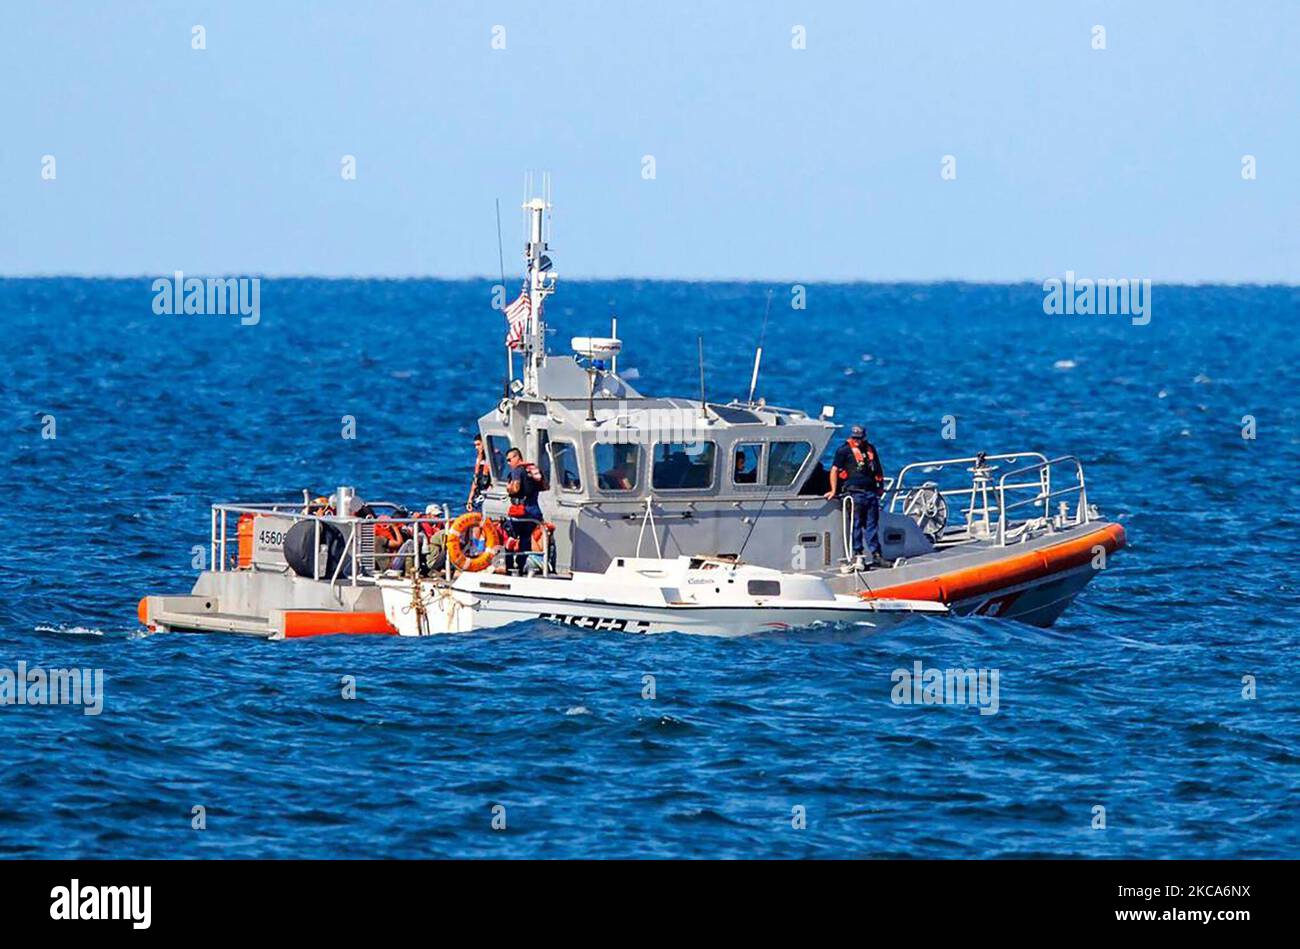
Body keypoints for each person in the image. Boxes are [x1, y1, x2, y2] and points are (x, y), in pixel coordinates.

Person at [825, 424, 886, 570]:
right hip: (854, 493)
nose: (857, 441)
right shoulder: (843, 451)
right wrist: (833, 490)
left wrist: (880, 487)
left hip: (870, 493)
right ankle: (857, 553)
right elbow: (834, 470)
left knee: (872, 525)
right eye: (855, 438)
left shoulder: (871, 449)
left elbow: (878, 469)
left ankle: (877, 554)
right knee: (856, 525)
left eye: (859, 438)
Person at [504, 446, 547, 575]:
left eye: (509, 459)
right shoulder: (532, 469)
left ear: (517, 457)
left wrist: (509, 489)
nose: (508, 463)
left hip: (522, 511)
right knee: (525, 539)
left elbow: (516, 488)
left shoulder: (518, 471)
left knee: (510, 535)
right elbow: (545, 486)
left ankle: (510, 567)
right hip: (535, 511)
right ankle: (522, 565)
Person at [466, 433, 493, 512]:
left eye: (478, 445)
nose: (476, 447)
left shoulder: (494, 457)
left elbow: (487, 477)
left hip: (488, 491)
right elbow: (475, 479)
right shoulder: (479, 459)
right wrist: (470, 499)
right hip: (479, 493)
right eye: (475, 445)